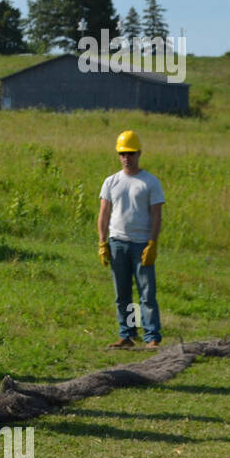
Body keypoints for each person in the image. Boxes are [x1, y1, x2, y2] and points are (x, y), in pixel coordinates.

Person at [98, 130, 164, 349]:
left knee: (146, 293)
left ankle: (152, 336)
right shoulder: (111, 182)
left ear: (139, 154)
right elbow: (104, 213)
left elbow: (157, 215)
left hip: (141, 244)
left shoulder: (150, 182)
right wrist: (102, 241)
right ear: (119, 155)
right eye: (123, 153)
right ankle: (128, 335)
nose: (127, 157)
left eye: (131, 153)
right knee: (123, 293)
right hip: (117, 242)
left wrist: (152, 243)